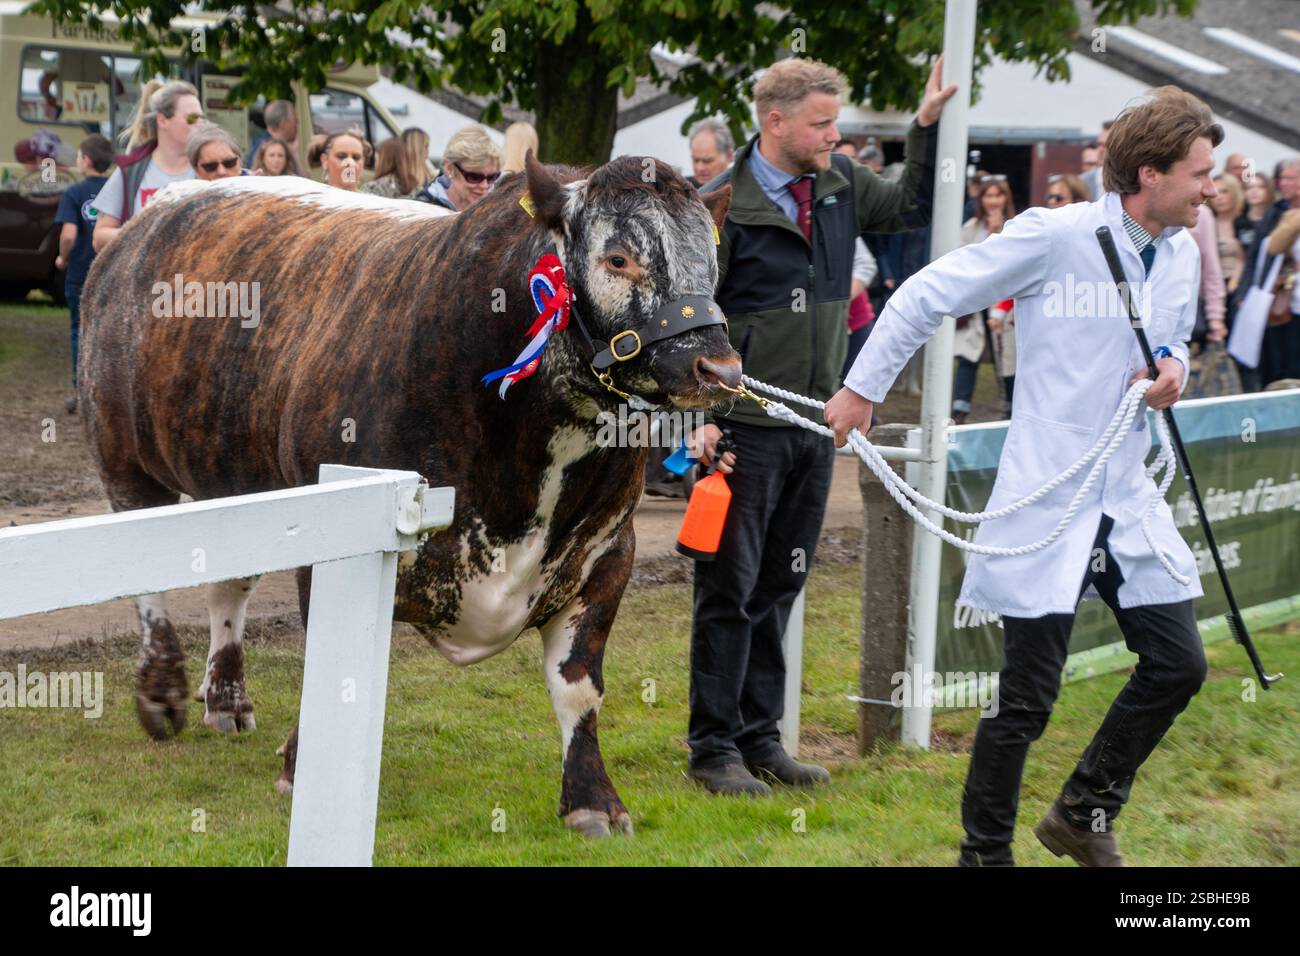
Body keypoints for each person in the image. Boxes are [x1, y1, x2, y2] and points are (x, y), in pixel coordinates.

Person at [826, 86, 1220, 867]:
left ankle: (1084, 811)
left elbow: (1169, 335)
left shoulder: (1179, 249)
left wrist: (1171, 366)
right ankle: (985, 856)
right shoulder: (1054, 236)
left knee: (1180, 663)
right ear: (1149, 174)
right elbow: (928, 291)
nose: (1211, 188)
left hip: (1125, 490)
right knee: (1027, 696)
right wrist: (862, 388)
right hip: (1051, 491)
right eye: (1200, 173)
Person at [683, 55, 952, 796]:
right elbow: (692, 324)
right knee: (728, 592)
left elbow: (911, 207)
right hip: (743, 427)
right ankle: (712, 751)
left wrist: (925, 128)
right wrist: (703, 423)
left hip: (813, 425)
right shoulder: (718, 207)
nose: (837, 135)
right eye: (823, 123)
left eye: (837, 121)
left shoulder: (840, 186)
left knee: (778, 588)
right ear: (775, 123)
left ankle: (760, 740)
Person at [92, 80, 201, 251]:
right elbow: (99, 238)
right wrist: (148, 233)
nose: (199, 123)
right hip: (142, 277)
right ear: (162, 120)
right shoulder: (131, 171)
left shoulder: (210, 168)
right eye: (192, 117)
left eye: (201, 117)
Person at [54, 133, 114, 413]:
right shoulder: (118, 188)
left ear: (86, 160)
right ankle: (109, 393)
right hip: (112, 270)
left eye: (78, 155)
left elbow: (68, 235)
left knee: (80, 329)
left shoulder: (74, 193)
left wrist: (62, 258)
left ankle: (82, 393)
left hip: (81, 270)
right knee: (110, 331)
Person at [952, 176, 1016, 423]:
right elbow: (961, 257)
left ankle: (1011, 409)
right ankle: (959, 410)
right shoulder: (971, 227)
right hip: (975, 299)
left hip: (1004, 300)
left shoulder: (1016, 225)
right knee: (969, 354)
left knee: (1008, 357)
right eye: (987, 195)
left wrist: (997, 232)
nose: (992, 201)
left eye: (997, 195)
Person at [1235, 157, 1299, 389]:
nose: (1283, 183)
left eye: (1289, 178)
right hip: (1276, 300)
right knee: (1277, 367)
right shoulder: (1277, 211)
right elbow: (1260, 253)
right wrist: (1245, 292)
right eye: (1281, 178)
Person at [421, 126, 501, 210]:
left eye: (492, 177)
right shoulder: (421, 209)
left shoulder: (496, 210)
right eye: (474, 177)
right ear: (449, 168)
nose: (484, 186)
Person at [362, 138, 426, 199]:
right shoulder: (416, 187)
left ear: (383, 162)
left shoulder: (372, 188)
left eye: (376, 159)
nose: (375, 164)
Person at [246, 99, 298, 168]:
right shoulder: (265, 149)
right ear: (284, 123)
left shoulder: (260, 145)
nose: (297, 123)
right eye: (294, 119)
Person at [686, 118, 735, 188]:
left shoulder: (745, 190)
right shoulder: (679, 191)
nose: (699, 168)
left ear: (729, 156)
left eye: (707, 161)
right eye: (695, 160)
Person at [1080, 119, 1113, 199]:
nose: (1100, 150)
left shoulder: (1135, 182)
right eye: (1099, 144)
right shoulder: (1081, 183)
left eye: (1106, 145)